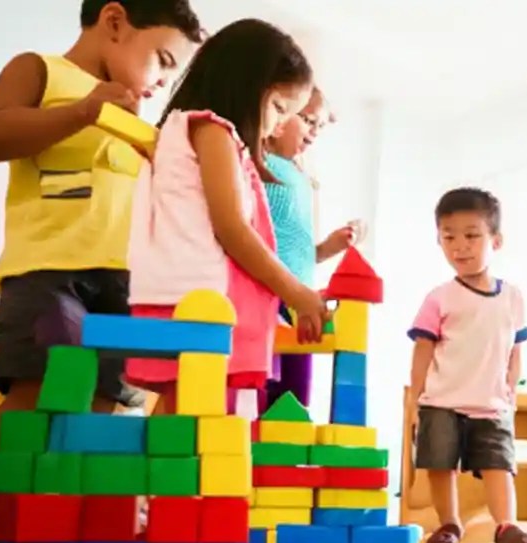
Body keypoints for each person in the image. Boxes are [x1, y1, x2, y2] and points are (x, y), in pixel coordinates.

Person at [0, 0, 202, 455]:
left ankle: (73, 516)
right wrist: (81, 112)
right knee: (36, 392)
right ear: (114, 22)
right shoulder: (43, 71)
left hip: (121, 282)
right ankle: (10, 516)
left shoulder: (136, 124)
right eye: (163, 61)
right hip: (48, 273)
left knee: (99, 405)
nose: (163, 83)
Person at [126, 19, 327, 412]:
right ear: (246, 86)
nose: (279, 124)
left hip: (198, 297)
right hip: (201, 299)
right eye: (279, 107)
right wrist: (294, 291)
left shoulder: (198, 133)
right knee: (195, 417)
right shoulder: (212, 131)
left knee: (190, 413)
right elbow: (232, 227)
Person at [409, 188, 527, 543]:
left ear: (496, 240)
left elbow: (515, 348)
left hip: (491, 403)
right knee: (440, 464)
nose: (460, 246)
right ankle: (449, 524)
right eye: (449, 237)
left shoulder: (512, 297)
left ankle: (506, 525)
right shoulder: (439, 297)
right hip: (442, 400)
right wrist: (414, 400)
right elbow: (422, 349)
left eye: (472, 235)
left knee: (499, 465)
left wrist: (513, 391)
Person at [262, 86, 361, 412]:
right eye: (307, 120)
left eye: (320, 126)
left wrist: (330, 247)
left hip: (300, 299)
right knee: (265, 387)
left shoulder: (300, 177)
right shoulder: (260, 164)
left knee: (295, 395)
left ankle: (283, 456)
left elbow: (298, 250)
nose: (315, 132)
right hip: (271, 294)